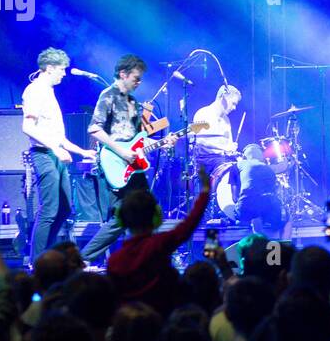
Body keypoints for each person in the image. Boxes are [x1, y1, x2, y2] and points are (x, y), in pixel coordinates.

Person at [21, 47, 95, 265]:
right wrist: (55, 148)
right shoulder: (34, 91)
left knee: (64, 208)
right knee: (49, 209)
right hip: (44, 155)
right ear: (50, 68)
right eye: (62, 69)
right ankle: (37, 262)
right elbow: (28, 127)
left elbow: (57, 135)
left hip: (54, 153)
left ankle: (47, 255)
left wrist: (81, 151)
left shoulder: (48, 91)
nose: (64, 74)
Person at [105, 166, 211, 315]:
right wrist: (205, 191)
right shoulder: (158, 245)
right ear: (157, 217)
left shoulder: (114, 261)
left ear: (121, 219)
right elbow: (188, 226)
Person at [81, 54, 149, 264]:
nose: (139, 83)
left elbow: (137, 139)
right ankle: (83, 258)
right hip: (115, 163)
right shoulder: (108, 95)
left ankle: (140, 259)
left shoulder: (134, 102)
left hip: (133, 166)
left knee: (145, 210)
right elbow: (94, 128)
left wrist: (161, 143)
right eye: (136, 78)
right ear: (123, 74)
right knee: (122, 217)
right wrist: (122, 152)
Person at [191, 84, 242, 179]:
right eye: (233, 103)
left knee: (245, 165)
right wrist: (225, 149)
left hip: (223, 160)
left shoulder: (226, 120)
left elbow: (229, 144)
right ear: (223, 98)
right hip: (206, 161)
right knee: (232, 170)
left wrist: (232, 149)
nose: (234, 108)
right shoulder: (203, 113)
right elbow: (200, 142)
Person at [235, 143, 284, 235]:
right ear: (261, 156)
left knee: (251, 207)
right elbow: (273, 192)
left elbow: (234, 196)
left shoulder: (239, 164)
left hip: (245, 208)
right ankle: (280, 240)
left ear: (245, 156)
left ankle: (246, 222)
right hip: (266, 207)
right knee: (284, 217)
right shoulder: (269, 169)